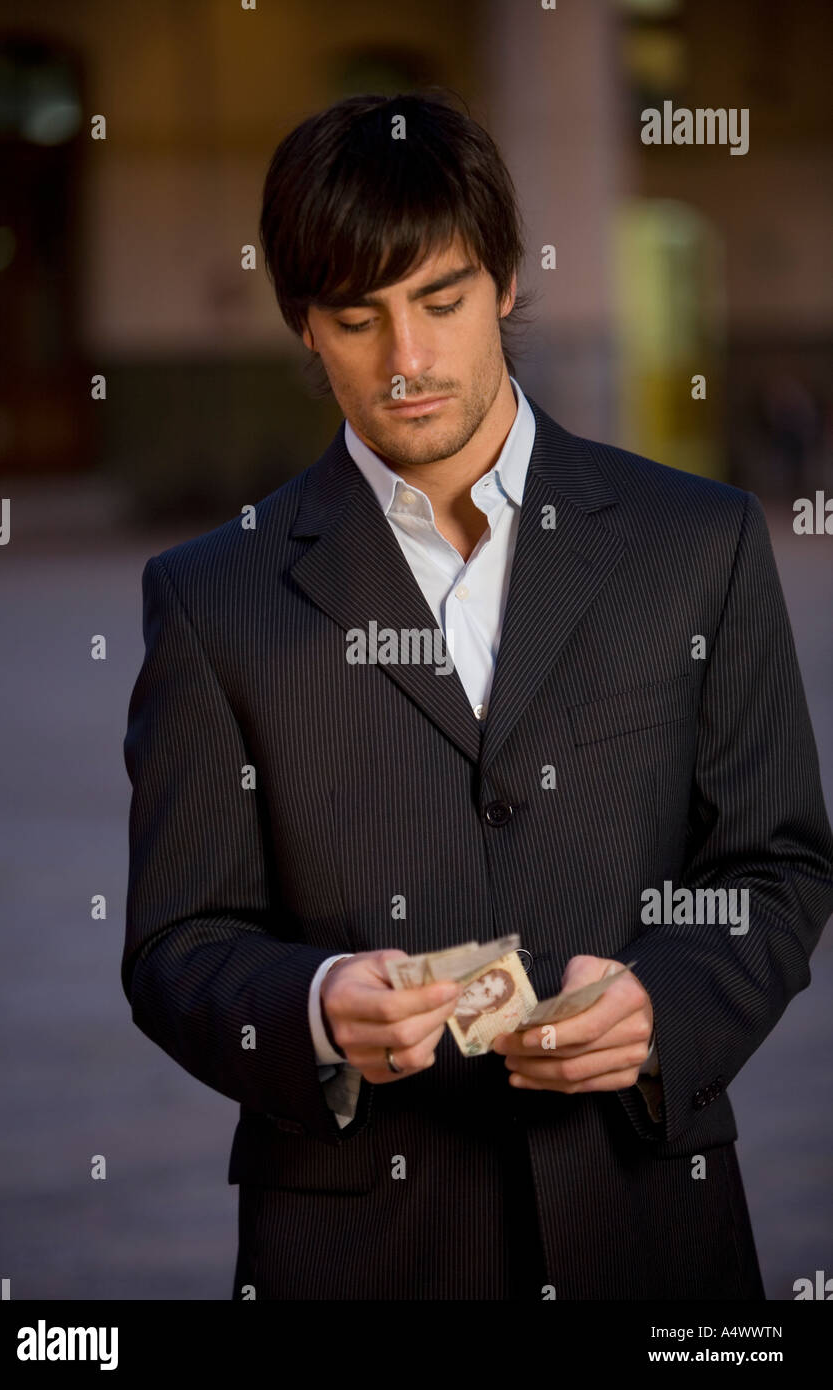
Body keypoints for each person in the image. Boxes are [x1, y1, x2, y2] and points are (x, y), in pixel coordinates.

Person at [122, 91, 833, 1301]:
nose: (406, 362)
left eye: (441, 303)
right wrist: (309, 1005)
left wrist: (662, 1004)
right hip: (354, 1258)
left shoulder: (695, 541)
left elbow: (776, 864)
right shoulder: (211, 596)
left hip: (648, 1235)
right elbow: (176, 944)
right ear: (304, 325)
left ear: (505, 283)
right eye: (357, 318)